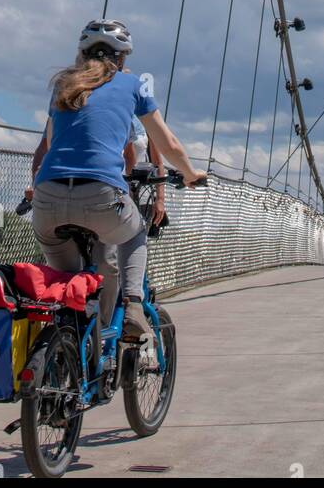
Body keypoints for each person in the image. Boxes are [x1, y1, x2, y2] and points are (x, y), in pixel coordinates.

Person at [30, 18, 205, 340]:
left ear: (81, 54)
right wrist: (192, 174)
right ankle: (133, 306)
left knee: (68, 280)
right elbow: (168, 144)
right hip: (101, 197)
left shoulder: (63, 85)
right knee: (134, 232)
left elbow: (52, 145)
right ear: (122, 58)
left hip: (47, 198)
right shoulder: (134, 85)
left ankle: (65, 345)